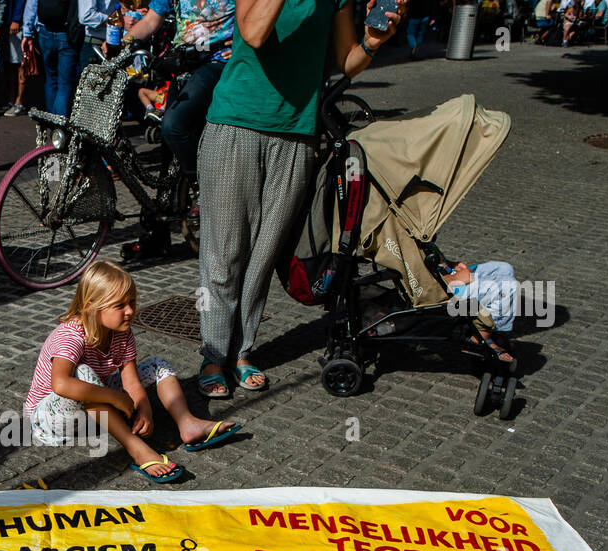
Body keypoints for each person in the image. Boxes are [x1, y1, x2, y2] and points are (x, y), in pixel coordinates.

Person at [195, 0, 404, 398]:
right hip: (235, 124)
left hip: (296, 134)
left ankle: (241, 352)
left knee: (263, 254)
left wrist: (373, 42)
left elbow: (348, 62)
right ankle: (212, 353)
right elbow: (254, 33)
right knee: (224, 253)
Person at [23, 262, 241, 483]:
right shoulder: (70, 336)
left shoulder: (122, 333)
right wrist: (115, 398)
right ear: (91, 307)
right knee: (83, 373)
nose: (129, 311)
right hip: (48, 421)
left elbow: (131, 381)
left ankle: (188, 424)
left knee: (157, 365)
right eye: (119, 305)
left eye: (131, 303)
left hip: (92, 412)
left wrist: (144, 408)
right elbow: (61, 384)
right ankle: (136, 448)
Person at [123, 0, 237, 257]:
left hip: (217, 61)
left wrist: (241, 42)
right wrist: (125, 43)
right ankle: (158, 236)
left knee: (174, 126)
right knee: (168, 152)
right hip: (183, 62)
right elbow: (153, 19)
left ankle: (206, 194)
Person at [443, 259, 517, 362]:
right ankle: (484, 334)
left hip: (449, 274)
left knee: (505, 269)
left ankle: (496, 330)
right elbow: (419, 282)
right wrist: (453, 278)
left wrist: (451, 264)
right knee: (507, 287)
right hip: (446, 288)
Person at [25, 0, 84, 117]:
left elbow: (31, 5)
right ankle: (59, 126)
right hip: (66, 32)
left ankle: (51, 121)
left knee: (50, 79)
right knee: (64, 83)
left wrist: (27, 32)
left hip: (45, 31)